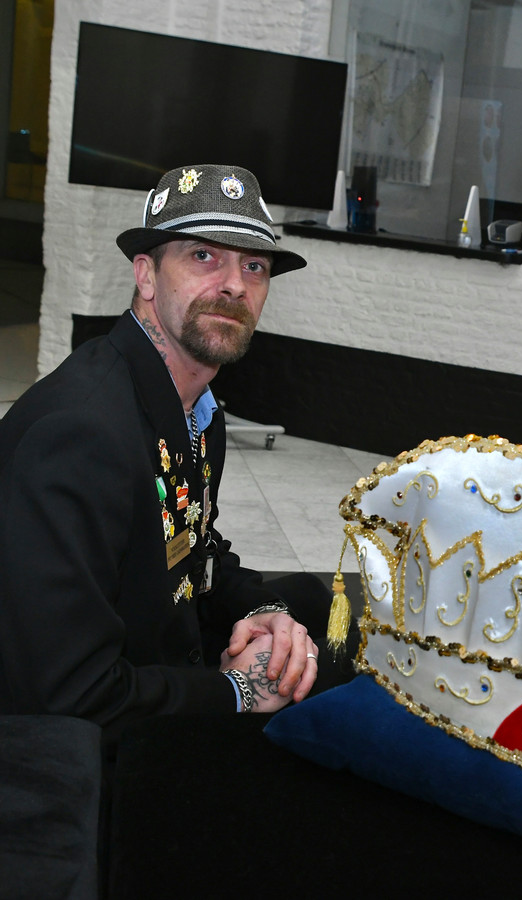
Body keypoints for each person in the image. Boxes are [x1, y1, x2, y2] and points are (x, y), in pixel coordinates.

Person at [0, 164, 332, 744]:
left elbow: (190, 545)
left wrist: (264, 612)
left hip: (149, 667)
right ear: (146, 275)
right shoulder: (82, 435)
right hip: (73, 743)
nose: (235, 285)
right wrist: (237, 691)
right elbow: (67, 694)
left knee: (323, 621)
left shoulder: (196, 408)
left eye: (254, 266)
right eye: (204, 256)